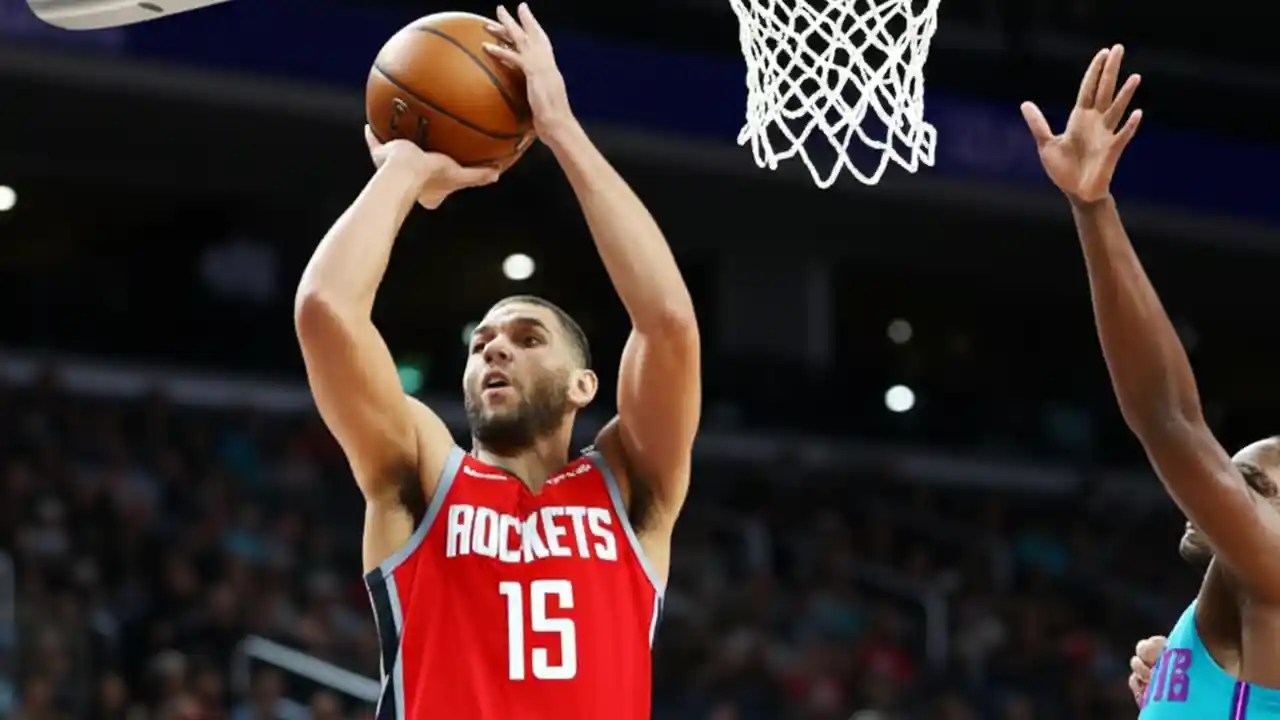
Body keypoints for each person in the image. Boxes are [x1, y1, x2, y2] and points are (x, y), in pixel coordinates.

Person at [293, 5, 700, 719]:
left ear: (584, 385)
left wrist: (561, 129)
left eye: (527, 338)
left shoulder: (629, 485)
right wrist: (406, 168)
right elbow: (326, 311)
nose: (495, 348)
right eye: (481, 342)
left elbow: (667, 325)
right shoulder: (422, 475)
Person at [1023, 43, 1280, 717]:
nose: (1220, 486)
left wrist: (1093, 208)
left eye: (1250, 484)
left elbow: (1172, 420)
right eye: (1236, 477)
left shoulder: (1271, 580)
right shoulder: (1219, 630)